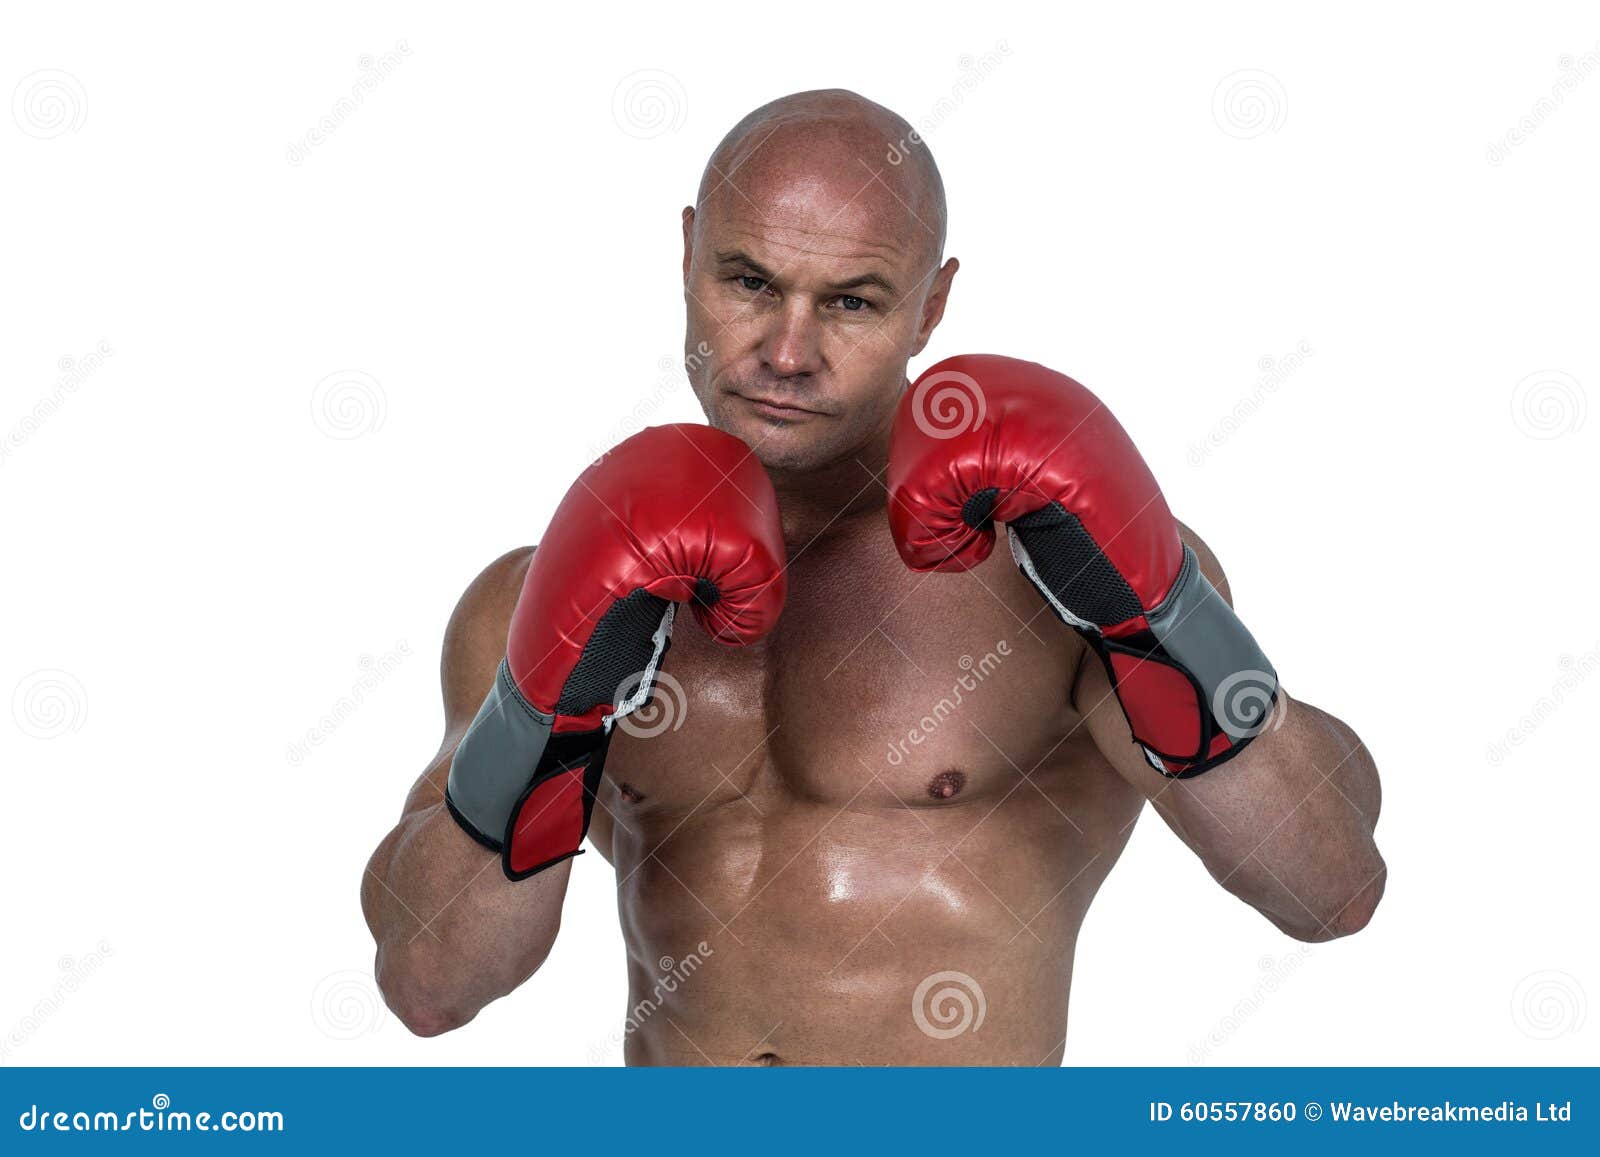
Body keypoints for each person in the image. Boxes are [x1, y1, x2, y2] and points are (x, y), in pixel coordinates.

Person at [361, 89, 1386, 1065]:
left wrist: (1156, 618)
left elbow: (1326, 885)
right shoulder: (545, 590)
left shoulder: (1057, 568)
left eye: (850, 301)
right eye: (749, 282)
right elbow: (430, 980)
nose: (787, 350)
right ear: (685, 257)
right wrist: (548, 710)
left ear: (931, 305)